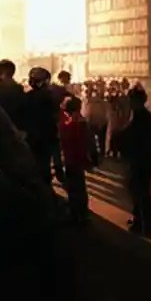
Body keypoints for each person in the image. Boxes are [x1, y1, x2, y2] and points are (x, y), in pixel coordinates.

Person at [116, 85, 151, 237]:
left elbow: (136, 137)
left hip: (141, 158)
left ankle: (145, 225)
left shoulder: (143, 117)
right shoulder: (137, 115)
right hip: (137, 157)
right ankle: (139, 218)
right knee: (134, 189)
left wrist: (121, 137)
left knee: (141, 190)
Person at [59, 96, 92, 225]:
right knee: (80, 187)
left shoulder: (70, 125)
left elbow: (65, 141)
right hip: (78, 159)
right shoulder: (82, 123)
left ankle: (76, 214)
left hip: (71, 159)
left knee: (74, 187)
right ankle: (82, 213)